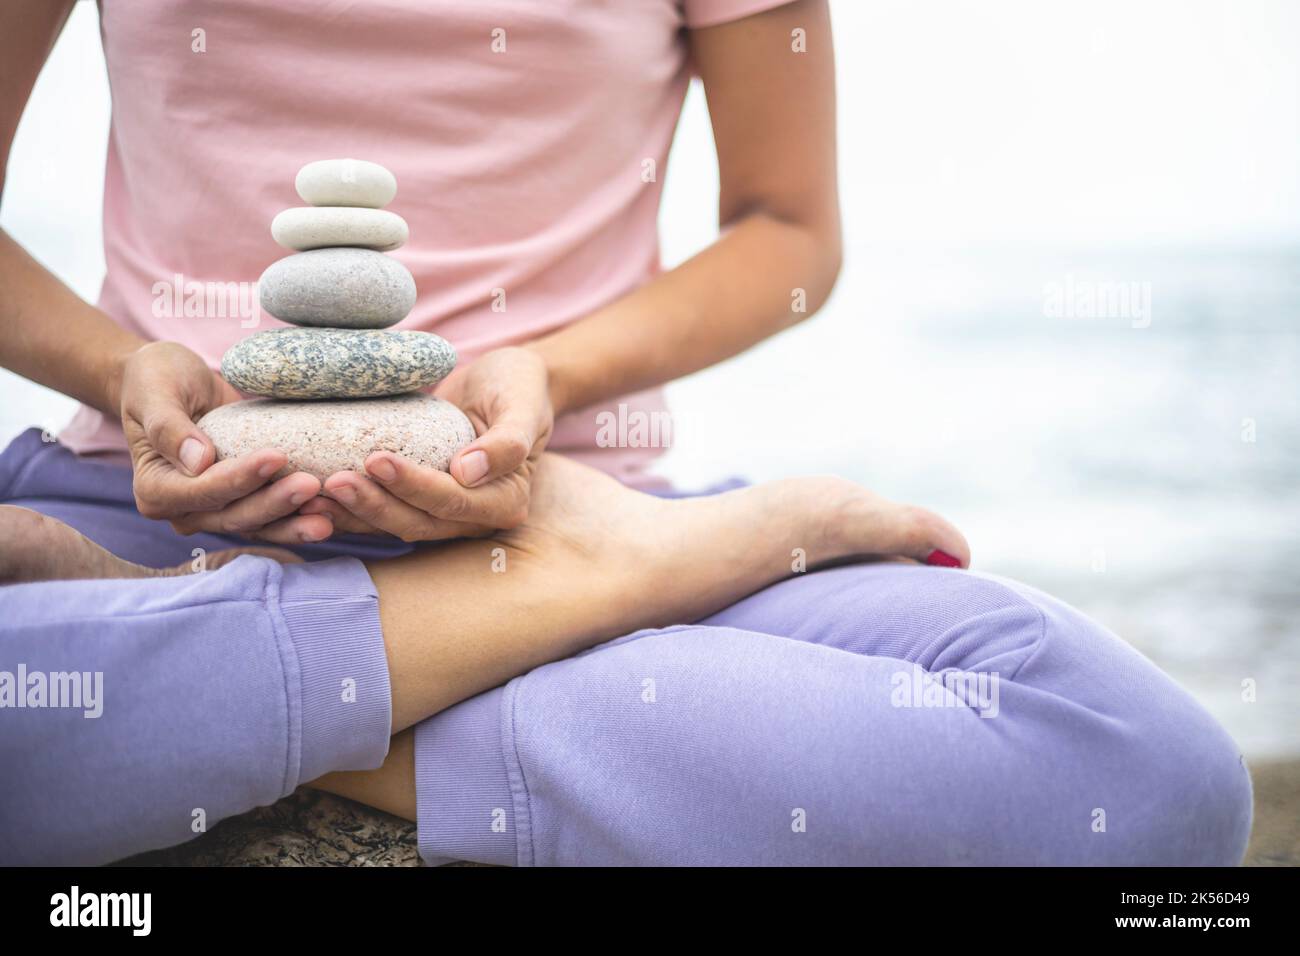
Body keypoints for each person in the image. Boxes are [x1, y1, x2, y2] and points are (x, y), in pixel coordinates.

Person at [0, 0, 1251, 866]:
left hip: (583, 507)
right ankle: (491, 623)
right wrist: (127, 373)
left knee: (1143, 765)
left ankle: (185, 654)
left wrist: (541, 367)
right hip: (143, 490)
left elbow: (789, 230)